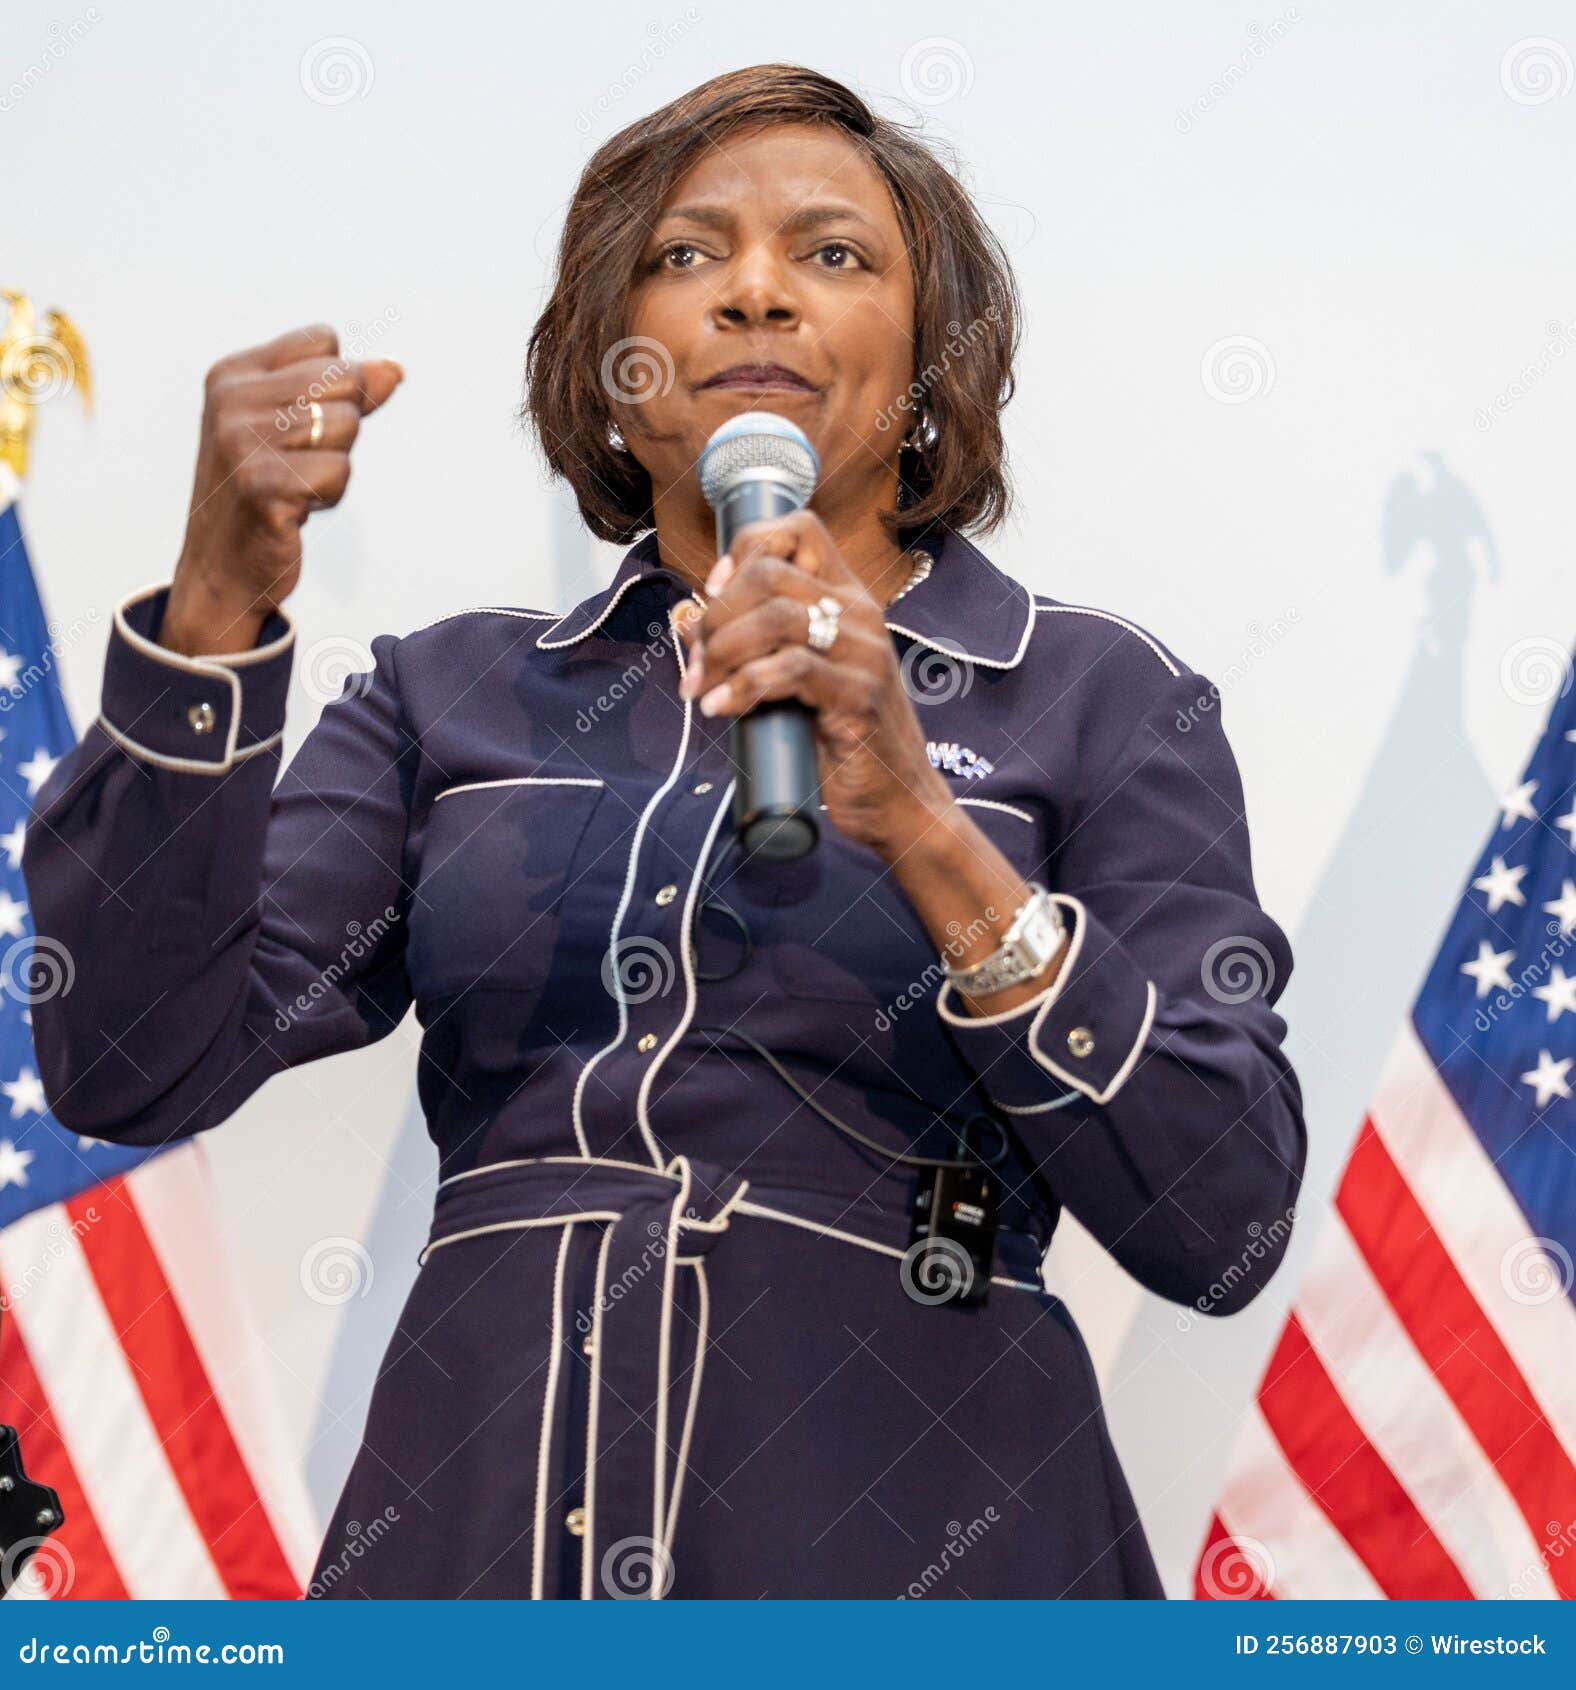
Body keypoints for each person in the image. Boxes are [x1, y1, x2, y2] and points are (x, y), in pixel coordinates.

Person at [22, 63, 1305, 1599]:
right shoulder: (459, 695)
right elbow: (130, 1060)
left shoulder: (1099, 697)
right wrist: (217, 606)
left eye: (833, 255)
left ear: (932, 360)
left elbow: (1222, 1214)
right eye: (686, 256)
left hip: (932, 1554)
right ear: (608, 360)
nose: (754, 294)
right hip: (480, 1546)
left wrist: (922, 823)